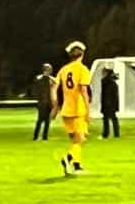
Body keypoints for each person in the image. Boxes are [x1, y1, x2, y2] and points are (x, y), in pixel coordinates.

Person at [53, 40, 93, 176]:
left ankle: (77, 165)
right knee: (80, 140)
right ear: (82, 54)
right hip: (78, 109)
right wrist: (88, 110)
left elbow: (54, 87)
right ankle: (68, 158)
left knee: (75, 140)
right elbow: (83, 90)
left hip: (66, 109)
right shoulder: (82, 69)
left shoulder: (64, 70)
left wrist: (55, 105)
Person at [31, 62, 55, 141]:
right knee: (40, 120)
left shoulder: (51, 79)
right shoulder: (39, 79)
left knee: (47, 121)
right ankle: (36, 136)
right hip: (42, 103)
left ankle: (44, 136)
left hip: (48, 102)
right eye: (48, 69)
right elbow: (36, 91)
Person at [99, 66, 121, 139]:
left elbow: (106, 94)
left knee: (107, 119)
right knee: (113, 118)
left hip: (108, 103)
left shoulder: (106, 81)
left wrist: (106, 104)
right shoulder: (112, 82)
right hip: (112, 103)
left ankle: (106, 134)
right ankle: (116, 134)